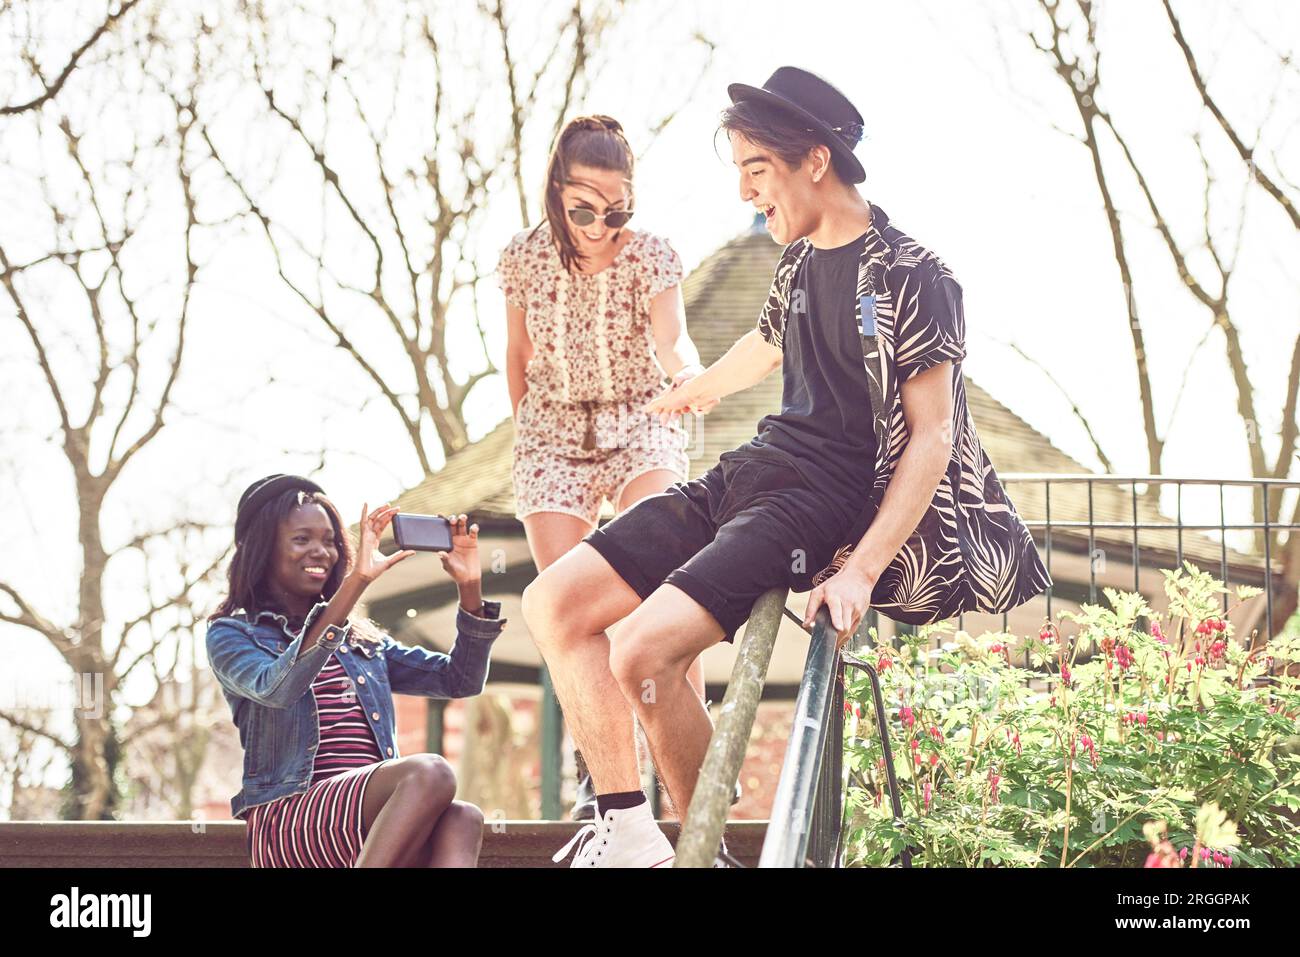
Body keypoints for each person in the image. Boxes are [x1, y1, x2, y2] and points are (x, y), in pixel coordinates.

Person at [523, 68, 1052, 867]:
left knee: (640, 652)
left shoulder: (917, 276)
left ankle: (713, 848)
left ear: (814, 158)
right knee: (553, 602)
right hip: (752, 470)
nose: (744, 193)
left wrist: (860, 571)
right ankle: (630, 831)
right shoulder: (800, 263)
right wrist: (692, 390)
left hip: (813, 504)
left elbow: (933, 437)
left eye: (755, 171)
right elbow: (766, 344)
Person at [499, 114, 717, 821]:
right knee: (568, 610)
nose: (598, 226)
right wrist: (529, 434)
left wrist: (691, 376)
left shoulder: (650, 255)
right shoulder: (523, 259)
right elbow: (516, 354)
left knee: (658, 587)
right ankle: (609, 790)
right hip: (553, 433)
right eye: (582, 208)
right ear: (555, 193)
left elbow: (672, 337)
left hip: (638, 416)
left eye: (615, 209)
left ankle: (695, 758)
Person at [206, 473, 507, 867]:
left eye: (330, 541)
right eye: (302, 540)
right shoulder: (233, 634)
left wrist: (470, 587)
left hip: (371, 827)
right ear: (263, 549)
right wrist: (357, 581)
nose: (321, 552)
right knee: (431, 771)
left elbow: (459, 679)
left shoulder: (361, 641)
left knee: (463, 817)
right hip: (293, 817)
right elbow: (277, 688)